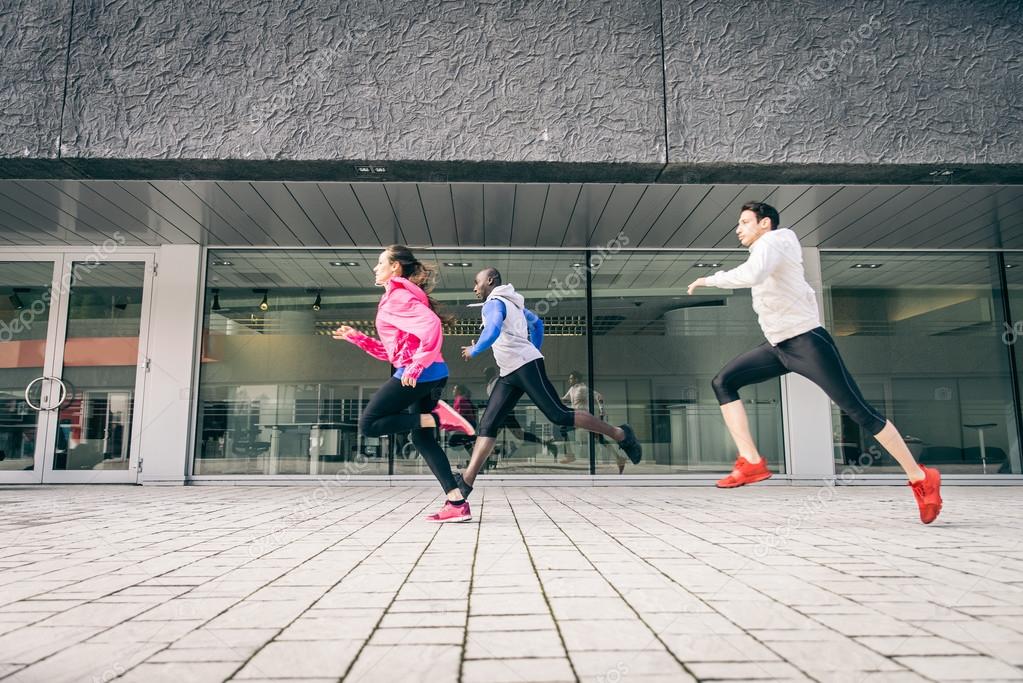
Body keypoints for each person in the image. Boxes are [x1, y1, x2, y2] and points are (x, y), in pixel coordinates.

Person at [687, 201, 942, 524]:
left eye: (744, 222)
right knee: (723, 382)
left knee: (859, 411)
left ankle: (921, 477)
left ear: (765, 224)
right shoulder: (765, 249)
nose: (738, 229)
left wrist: (710, 280)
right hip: (779, 346)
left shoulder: (777, 240)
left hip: (808, 342)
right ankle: (751, 461)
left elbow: (754, 274)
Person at [453, 268, 642, 498]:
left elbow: (492, 330)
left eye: (477, 282)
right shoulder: (516, 305)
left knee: (559, 414)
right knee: (488, 424)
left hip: (523, 367)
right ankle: (466, 482)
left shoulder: (494, 303)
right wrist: (533, 349)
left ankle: (621, 434)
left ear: (490, 281)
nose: (474, 288)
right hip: (509, 373)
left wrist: (475, 349)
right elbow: (538, 325)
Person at [333, 245, 475, 523]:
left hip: (420, 374)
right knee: (421, 438)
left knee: (369, 424)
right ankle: (456, 503)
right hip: (429, 372)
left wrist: (416, 365)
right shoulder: (400, 296)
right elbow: (393, 352)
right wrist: (357, 338)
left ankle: (434, 417)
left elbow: (432, 327)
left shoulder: (398, 297)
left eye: (380, 263)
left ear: (395, 266)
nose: (376, 268)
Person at [482, 366, 559, 461]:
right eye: (485, 374)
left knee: (490, 434)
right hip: (501, 413)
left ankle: (491, 456)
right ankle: (546, 443)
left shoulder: (497, 381)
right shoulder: (489, 384)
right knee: (515, 435)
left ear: (492, 373)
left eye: (486, 374)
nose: (485, 376)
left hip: (504, 413)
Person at [561, 370, 628, 472]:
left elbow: (599, 396)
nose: (569, 380)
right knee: (599, 439)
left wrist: (602, 410)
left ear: (576, 379)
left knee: (598, 438)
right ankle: (619, 458)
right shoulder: (572, 389)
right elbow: (565, 400)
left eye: (571, 378)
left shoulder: (583, 389)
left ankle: (570, 455)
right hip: (578, 418)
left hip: (585, 418)